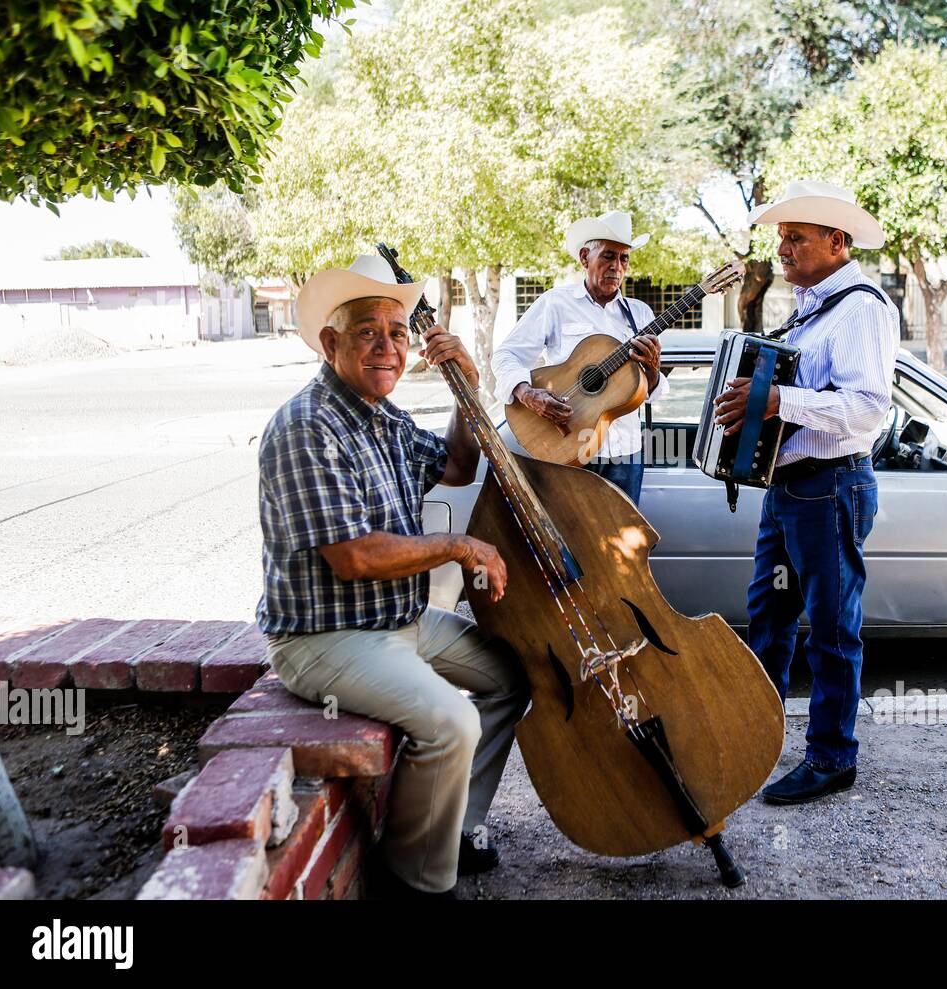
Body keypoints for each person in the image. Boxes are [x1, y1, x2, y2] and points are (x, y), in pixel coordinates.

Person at [256, 255, 529, 896]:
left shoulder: (384, 416)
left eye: (398, 332)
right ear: (330, 343)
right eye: (367, 332)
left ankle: (458, 827)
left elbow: (460, 466)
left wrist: (467, 383)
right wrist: (459, 546)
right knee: (450, 722)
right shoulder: (307, 425)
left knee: (513, 675)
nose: (388, 346)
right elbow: (352, 556)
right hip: (326, 638)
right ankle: (415, 880)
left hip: (396, 619)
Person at [713, 180, 899, 805]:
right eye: (782, 237)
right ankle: (754, 736)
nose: (784, 248)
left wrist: (774, 400)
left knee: (831, 629)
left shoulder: (862, 307)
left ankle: (831, 758)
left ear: (837, 243)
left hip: (832, 487)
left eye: (797, 238)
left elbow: (868, 409)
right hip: (790, 487)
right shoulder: (813, 306)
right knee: (768, 619)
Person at [491, 211, 666, 503]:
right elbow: (506, 355)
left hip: (625, 455)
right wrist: (527, 393)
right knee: (569, 546)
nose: (617, 267)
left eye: (624, 259)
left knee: (622, 548)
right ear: (585, 257)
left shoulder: (641, 316)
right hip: (569, 448)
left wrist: (653, 370)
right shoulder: (555, 304)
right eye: (608, 256)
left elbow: (652, 394)